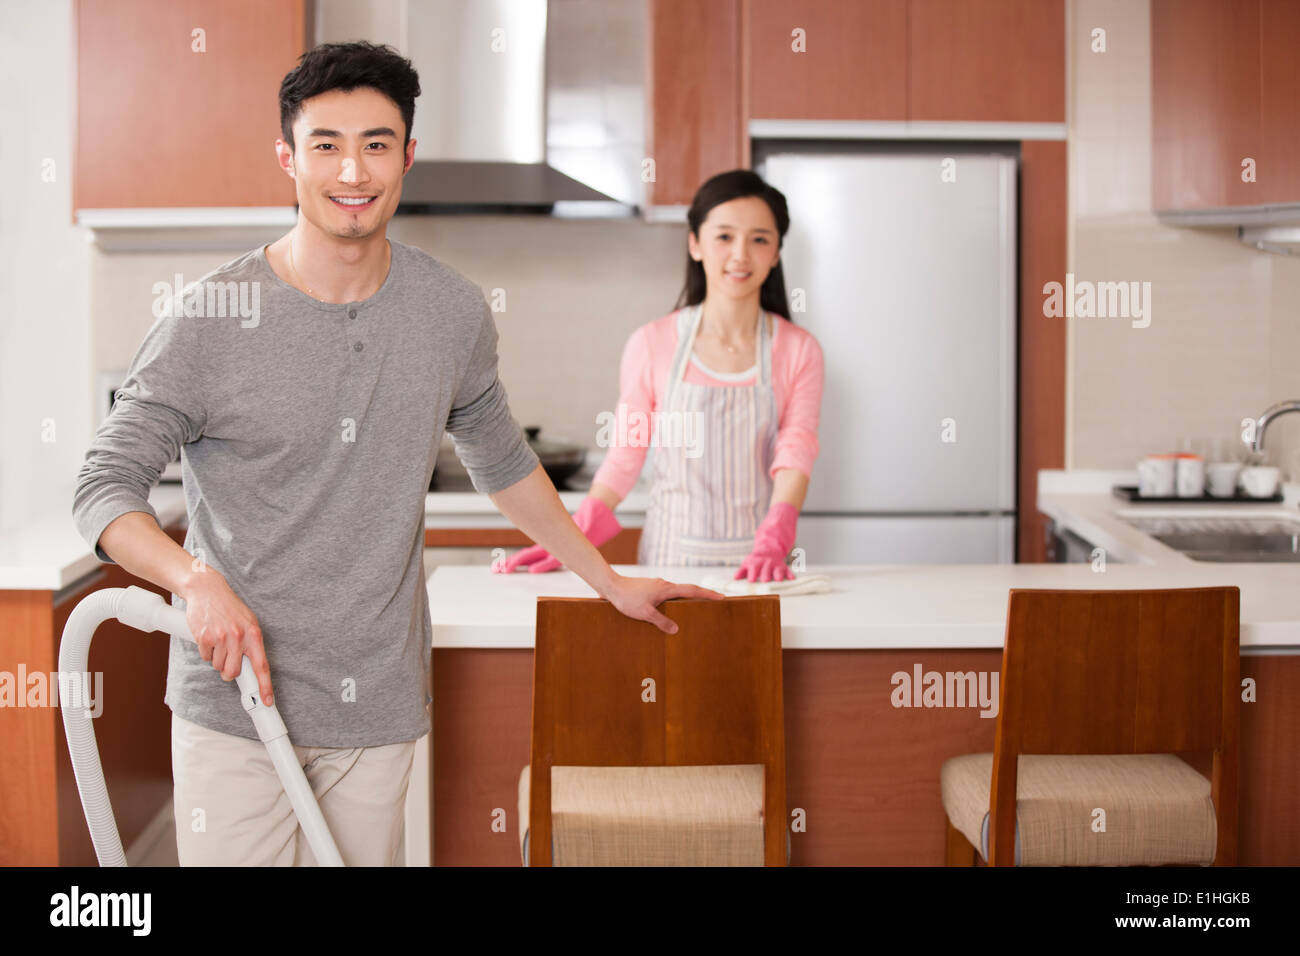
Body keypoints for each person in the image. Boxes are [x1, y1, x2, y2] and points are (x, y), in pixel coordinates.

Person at [71, 41, 720, 867]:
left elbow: (503, 463)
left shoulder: (450, 313)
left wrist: (607, 579)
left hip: (374, 704)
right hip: (234, 703)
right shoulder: (210, 318)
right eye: (327, 145)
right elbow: (103, 485)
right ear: (288, 158)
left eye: (377, 144)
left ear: (407, 156)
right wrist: (195, 583)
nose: (354, 170)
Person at [498, 170, 824, 582]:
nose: (741, 255)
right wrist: (574, 534)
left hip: (762, 568)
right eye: (724, 236)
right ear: (695, 244)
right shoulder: (652, 343)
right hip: (668, 564)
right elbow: (625, 457)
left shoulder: (799, 350)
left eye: (759, 239)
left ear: (776, 252)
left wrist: (776, 537)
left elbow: (797, 449)